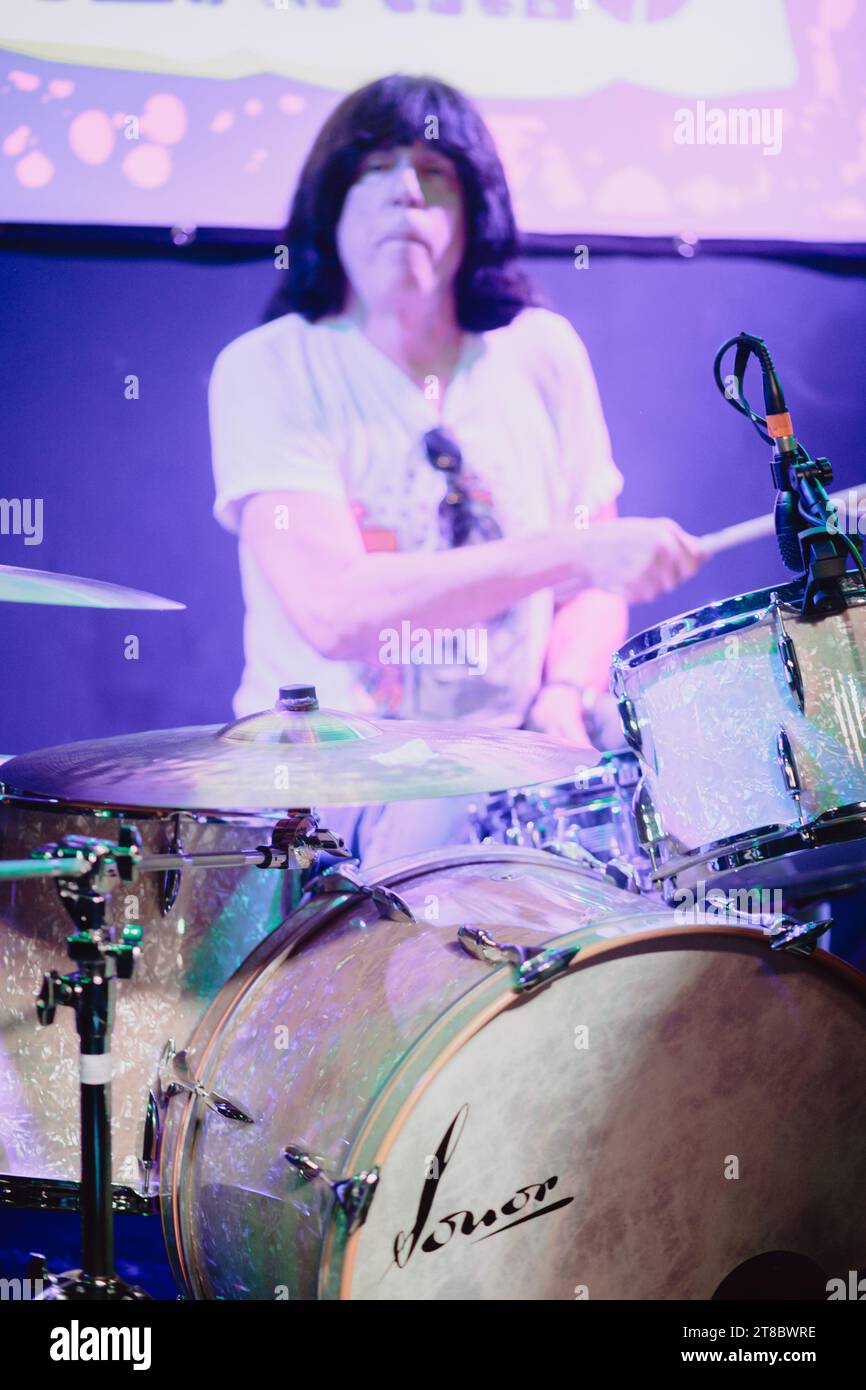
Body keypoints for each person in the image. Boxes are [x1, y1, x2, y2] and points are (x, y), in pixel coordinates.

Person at [209, 73, 703, 866]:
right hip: (337, 780)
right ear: (330, 206)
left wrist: (564, 691)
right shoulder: (271, 367)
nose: (405, 190)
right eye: (374, 169)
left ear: (475, 213)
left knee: (690, 767)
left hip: (517, 754)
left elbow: (593, 589)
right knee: (445, 823)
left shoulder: (542, 351)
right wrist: (571, 552)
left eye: (435, 174)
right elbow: (334, 611)